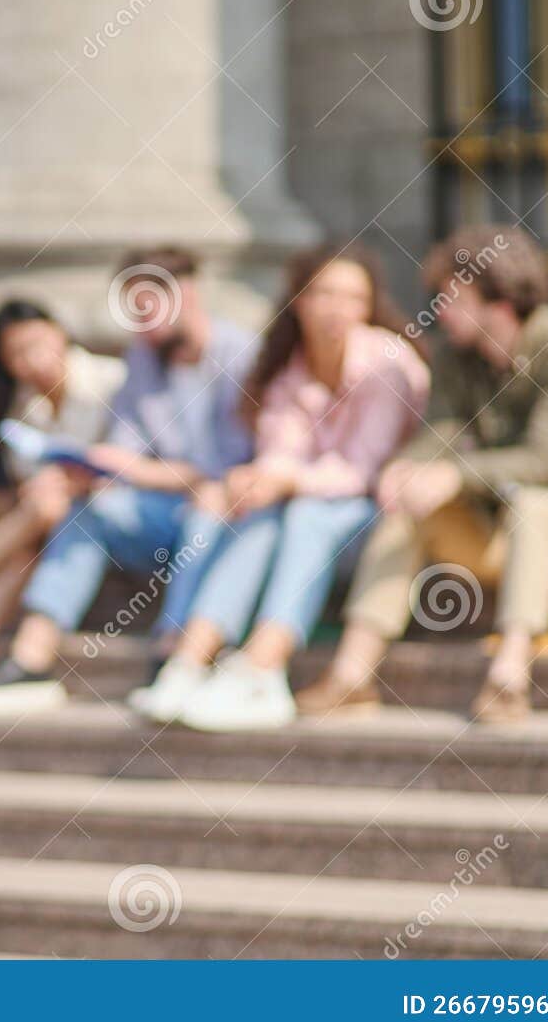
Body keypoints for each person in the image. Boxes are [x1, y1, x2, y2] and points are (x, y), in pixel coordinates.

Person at [296, 225, 548, 725]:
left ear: (497, 296)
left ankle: (508, 677)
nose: (440, 310)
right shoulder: (455, 356)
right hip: (494, 532)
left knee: (531, 504)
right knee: (411, 504)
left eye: (452, 296)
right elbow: (439, 431)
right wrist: (408, 469)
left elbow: (545, 459)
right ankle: (351, 676)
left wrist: (455, 476)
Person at [129, 242, 430, 731]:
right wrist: (260, 477)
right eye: (326, 293)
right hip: (302, 516)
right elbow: (280, 449)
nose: (339, 308)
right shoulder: (288, 370)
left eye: (354, 297)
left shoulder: (386, 362)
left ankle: (264, 668)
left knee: (304, 512)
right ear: (302, 301)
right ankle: (189, 659)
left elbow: (361, 472)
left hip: (370, 518)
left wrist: (285, 479)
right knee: (259, 510)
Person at [0, 246, 258, 713]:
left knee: (208, 512)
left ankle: (175, 657)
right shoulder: (144, 359)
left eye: (149, 307)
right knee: (88, 511)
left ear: (188, 294)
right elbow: (126, 448)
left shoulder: (239, 354)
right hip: (157, 508)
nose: (142, 322)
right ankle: (32, 656)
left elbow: (221, 470)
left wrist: (135, 469)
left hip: (224, 512)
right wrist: (99, 469)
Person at [0, 299, 126, 657]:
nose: (34, 361)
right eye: (18, 354)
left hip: (108, 511)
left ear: (61, 335)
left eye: (38, 345)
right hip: (51, 524)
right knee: (29, 546)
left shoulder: (111, 381)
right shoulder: (24, 407)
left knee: (47, 506)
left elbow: (135, 460)